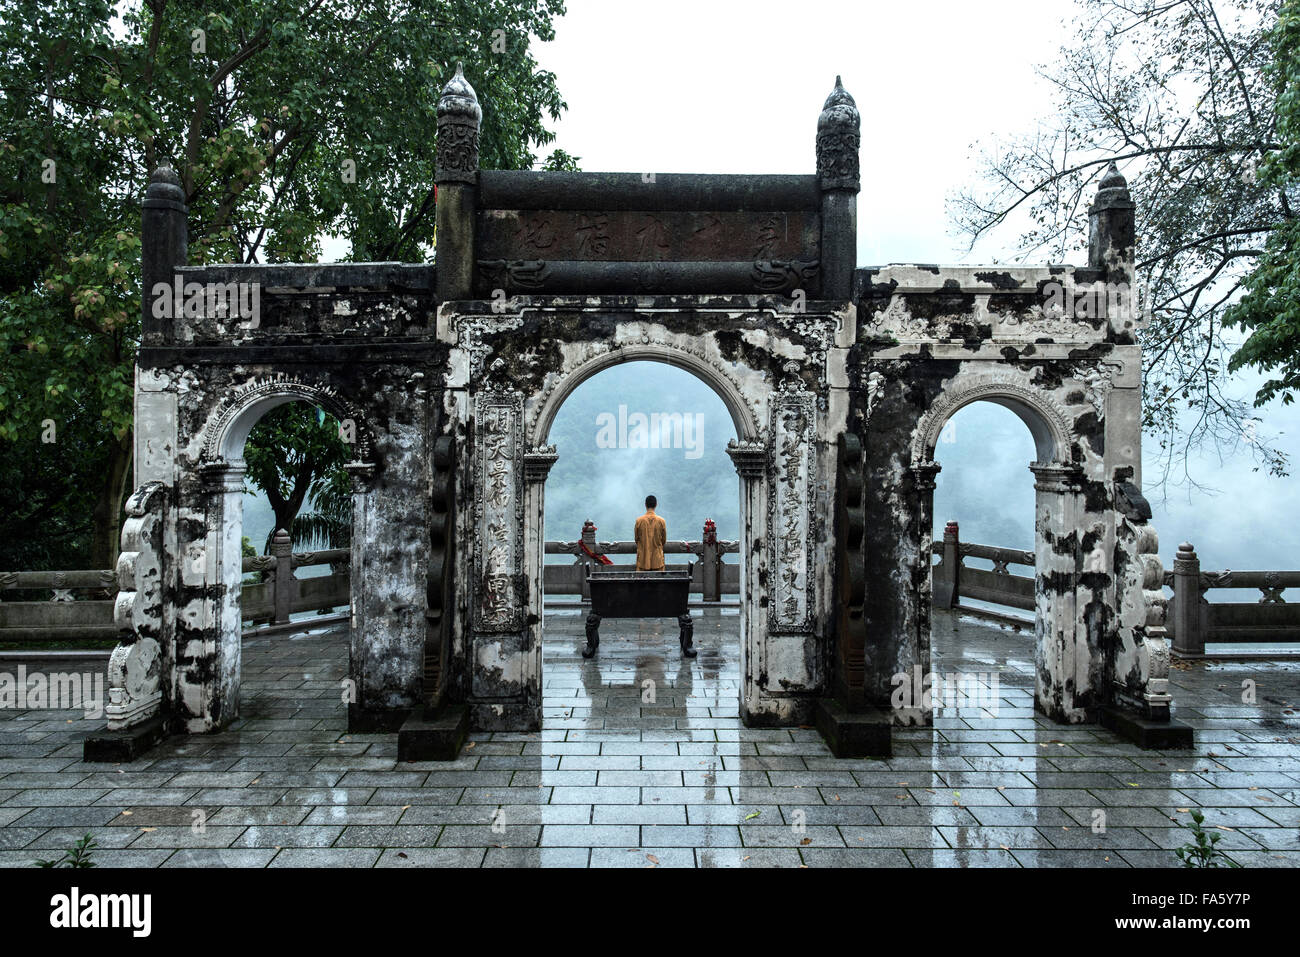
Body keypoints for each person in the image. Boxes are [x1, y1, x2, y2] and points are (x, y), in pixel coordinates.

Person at [634, 494, 667, 571]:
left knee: (642, 582)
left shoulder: (639, 521)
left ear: (645, 505)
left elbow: (636, 539)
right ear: (656, 505)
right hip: (658, 561)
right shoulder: (662, 521)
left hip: (642, 561)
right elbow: (663, 541)